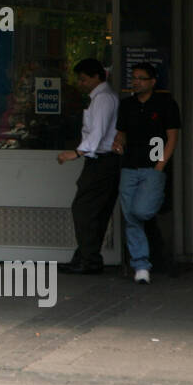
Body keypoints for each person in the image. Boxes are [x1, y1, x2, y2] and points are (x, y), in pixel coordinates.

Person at [112, 63, 180, 284]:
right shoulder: (127, 105)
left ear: (152, 81)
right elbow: (121, 132)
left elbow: (172, 137)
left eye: (142, 78)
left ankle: (150, 256)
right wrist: (118, 143)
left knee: (140, 211)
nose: (136, 81)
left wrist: (161, 165)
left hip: (153, 167)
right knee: (130, 216)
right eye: (134, 78)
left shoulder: (166, 104)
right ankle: (141, 266)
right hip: (129, 166)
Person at [56, 58, 120, 274]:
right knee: (93, 210)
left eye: (83, 79)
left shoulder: (103, 99)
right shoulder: (101, 97)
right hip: (100, 161)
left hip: (103, 161)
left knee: (85, 210)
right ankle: (84, 256)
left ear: (96, 77)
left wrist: (76, 152)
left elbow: (98, 132)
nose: (80, 83)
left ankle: (89, 259)